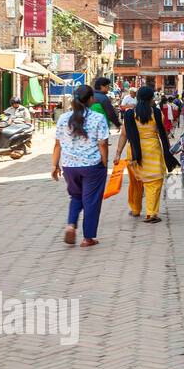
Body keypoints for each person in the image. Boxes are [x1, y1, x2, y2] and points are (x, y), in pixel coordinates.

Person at [51, 84, 110, 248]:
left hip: (69, 166)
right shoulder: (98, 118)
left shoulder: (63, 118)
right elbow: (103, 143)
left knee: (76, 196)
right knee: (91, 201)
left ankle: (71, 225)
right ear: (91, 99)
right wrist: (104, 163)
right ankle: (88, 238)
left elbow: (57, 145)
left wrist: (54, 165)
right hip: (92, 165)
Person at [115, 86, 177, 222]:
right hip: (152, 150)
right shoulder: (156, 113)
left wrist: (118, 154)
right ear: (151, 99)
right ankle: (151, 213)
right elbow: (163, 133)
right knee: (154, 181)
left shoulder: (130, 114)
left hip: (134, 152)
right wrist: (169, 149)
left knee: (136, 182)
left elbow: (124, 135)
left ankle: (136, 210)